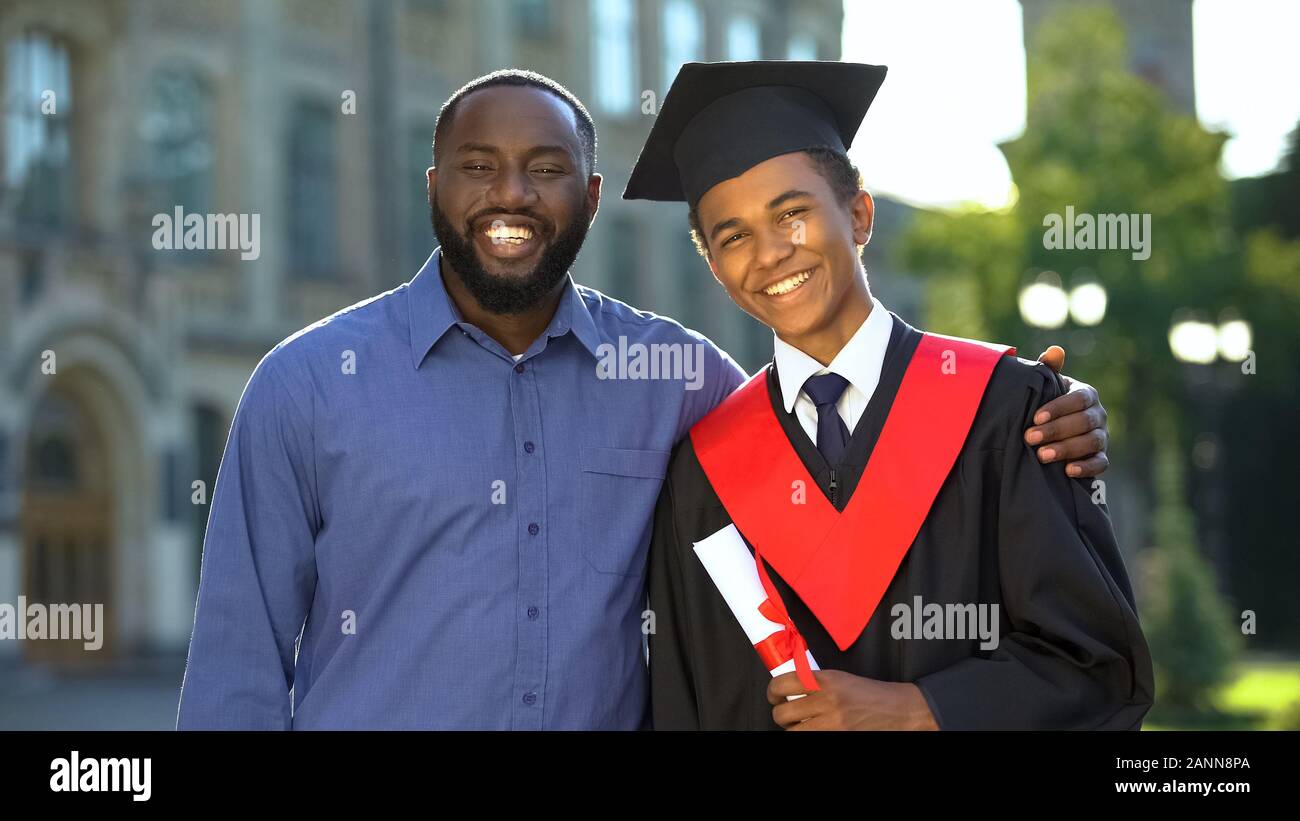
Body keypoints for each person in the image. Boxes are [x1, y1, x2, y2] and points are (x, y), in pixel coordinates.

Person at [178, 69, 1113, 729]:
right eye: (478, 166)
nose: (511, 194)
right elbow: (235, 669)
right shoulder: (306, 385)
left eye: (546, 169)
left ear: (589, 197)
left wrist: (1054, 407)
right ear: (435, 187)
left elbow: (1086, 657)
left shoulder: (683, 384)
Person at [630, 61, 1153, 730]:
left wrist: (918, 710)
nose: (769, 255)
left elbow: (1098, 669)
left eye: (791, 214)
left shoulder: (1010, 411)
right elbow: (686, 705)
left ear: (858, 214)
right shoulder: (702, 472)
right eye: (732, 236)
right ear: (715, 268)